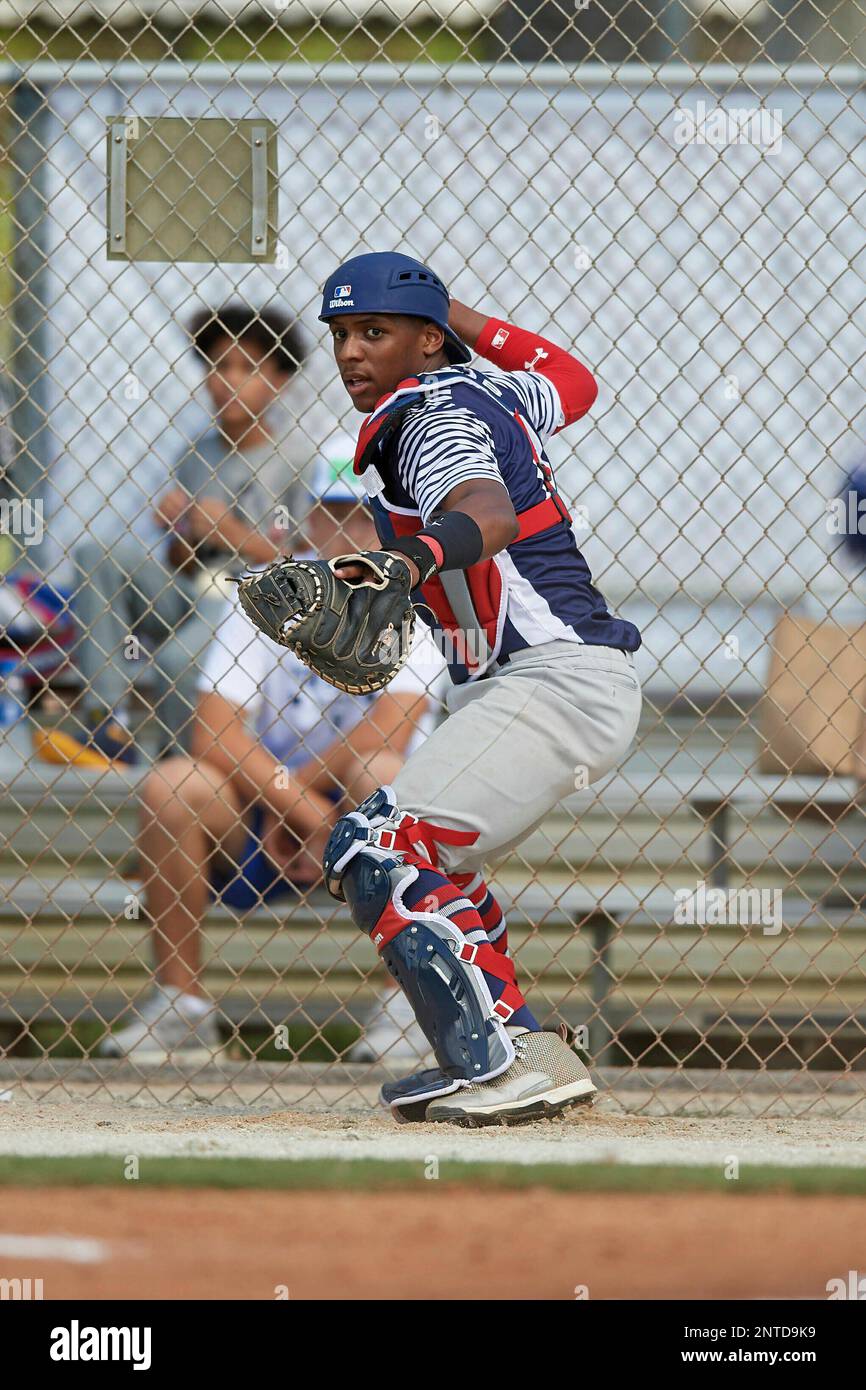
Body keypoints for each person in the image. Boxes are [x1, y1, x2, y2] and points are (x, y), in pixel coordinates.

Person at [317, 251, 643, 1125]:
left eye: (374, 332)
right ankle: (524, 1051)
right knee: (428, 857)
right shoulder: (488, 392)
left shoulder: (426, 417)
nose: (351, 352)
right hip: (548, 683)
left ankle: (500, 1069)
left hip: (554, 680)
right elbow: (571, 380)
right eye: (343, 334)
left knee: (377, 847)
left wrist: (409, 557)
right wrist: (448, 315)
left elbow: (487, 513)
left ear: (425, 344)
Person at [99, 447, 444, 1062]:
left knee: (384, 774)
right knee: (175, 785)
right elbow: (215, 733)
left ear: (396, 527)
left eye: (368, 518)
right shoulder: (267, 595)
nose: (349, 534)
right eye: (335, 515)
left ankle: (409, 1011)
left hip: (368, 819)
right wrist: (305, 813)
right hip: (263, 812)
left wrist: (320, 818)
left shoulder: (416, 609)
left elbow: (384, 736)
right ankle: (182, 1012)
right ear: (310, 523)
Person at [38, 305, 310, 767]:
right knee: (96, 554)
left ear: (279, 382)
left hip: (250, 605)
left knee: (175, 661)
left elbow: (305, 568)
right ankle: (106, 722)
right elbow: (181, 560)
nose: (228, 380)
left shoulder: (296, 459)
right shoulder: (197, 454)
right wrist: (183, 532)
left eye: (248, 368)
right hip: (192, 592)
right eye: (219, 366)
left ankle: (180, 769)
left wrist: (231, 534)